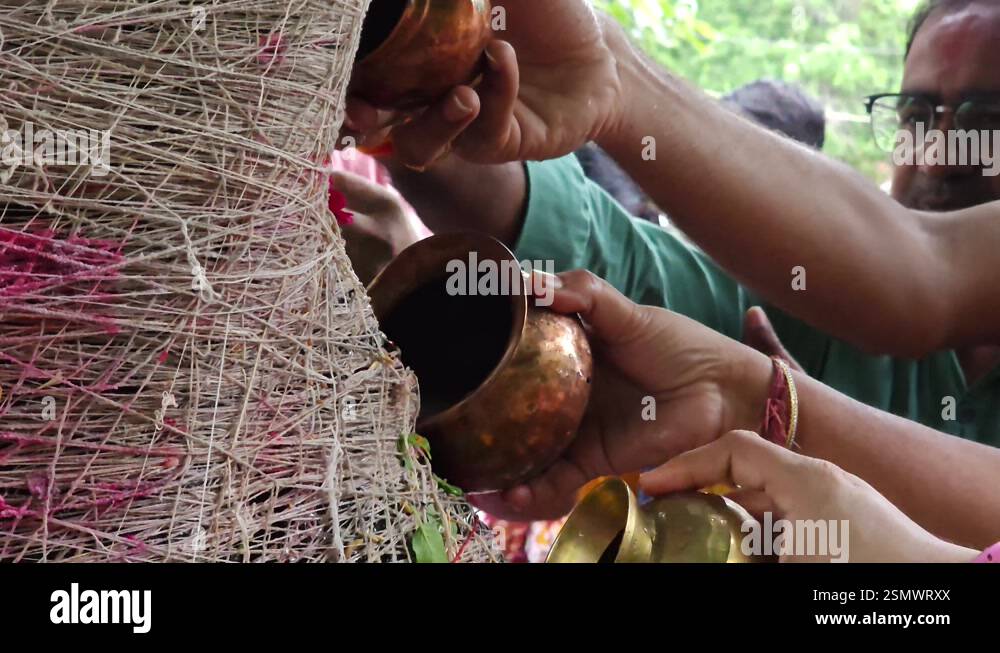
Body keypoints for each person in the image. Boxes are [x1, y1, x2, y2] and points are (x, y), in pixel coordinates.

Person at [343, 0, 1000, 446]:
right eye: (917, 116)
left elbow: (922, 271)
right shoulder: (815, 302)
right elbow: (607, 260)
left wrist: (788, 420)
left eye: (985, 119)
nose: (939, 155)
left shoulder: (894, 289)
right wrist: (418, 93)